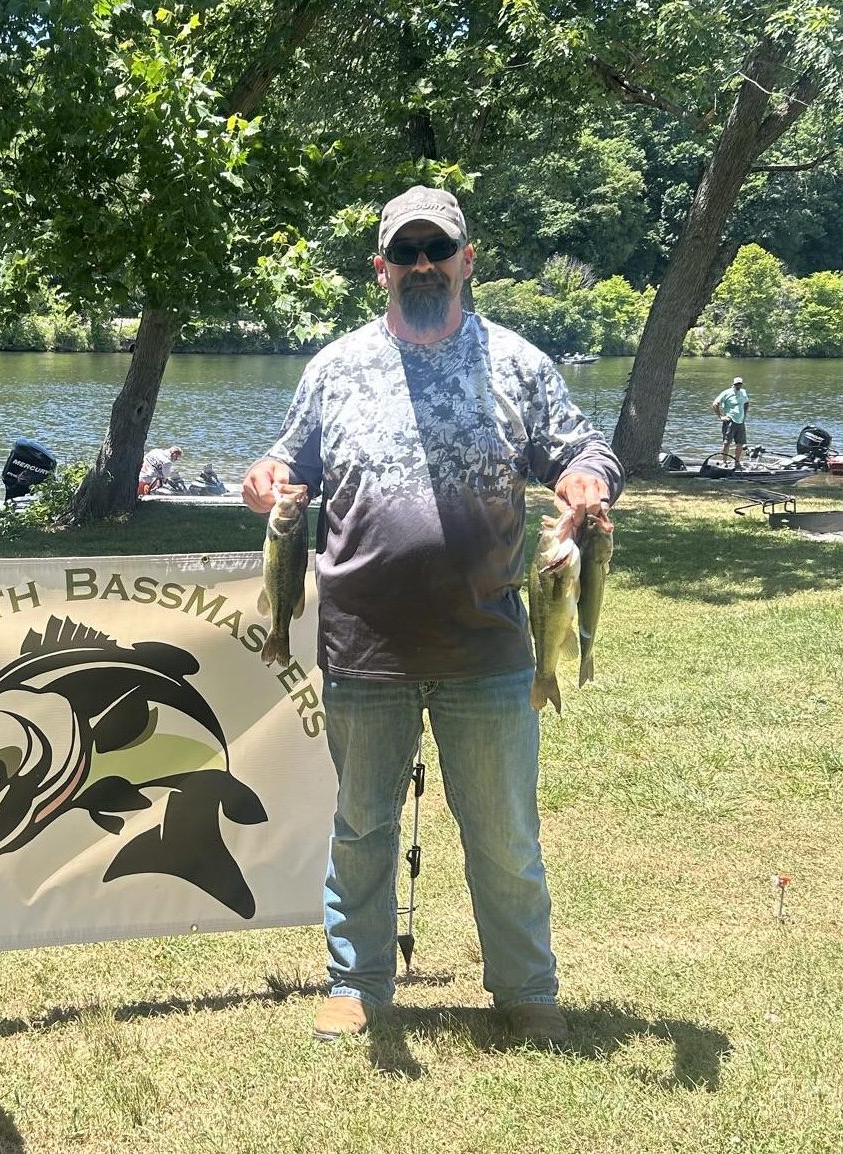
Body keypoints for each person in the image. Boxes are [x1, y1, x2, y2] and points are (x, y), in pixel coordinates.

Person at [242, 186, 622, 1050]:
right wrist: (264, 479)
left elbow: (579, 446)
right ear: (380, 267)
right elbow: (282, 460)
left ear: (467, 261)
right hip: (361, 641)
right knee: (361, 829)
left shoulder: (518, 363)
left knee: (504, 835)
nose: (421, 265)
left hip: (487, 641)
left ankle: (528, 991)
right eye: (404, 252)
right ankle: (356, 983)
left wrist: (587, 479)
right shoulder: (335, 367)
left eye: (436, 250)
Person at [712, 376, 750, 467]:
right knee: (727, 442)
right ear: (733, 384)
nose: (738, 386)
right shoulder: (726, 393)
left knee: (740, 443)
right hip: (730, 421)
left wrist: (744, 415)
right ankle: (724, 462)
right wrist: (721, 416)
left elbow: (746, 403)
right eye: (737, 384)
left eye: (740, 384)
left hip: (740, 422)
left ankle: (737, 462)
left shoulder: (743, 392)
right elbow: (715, 404)